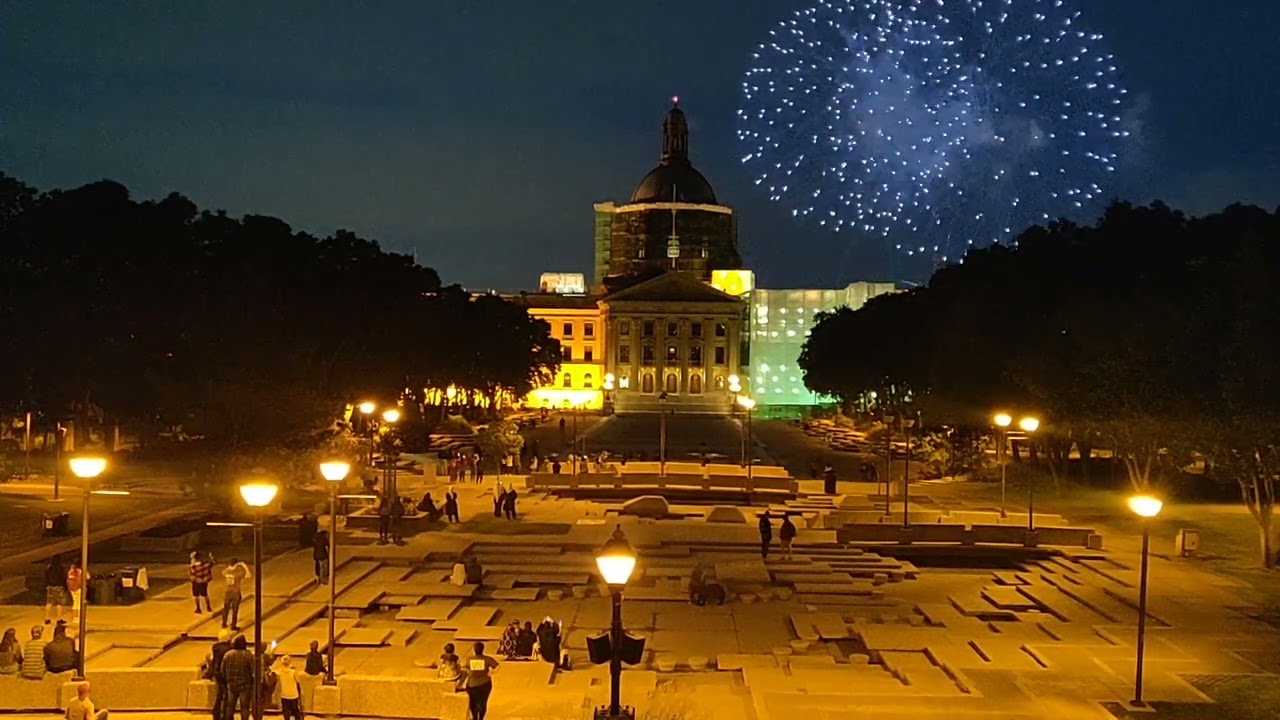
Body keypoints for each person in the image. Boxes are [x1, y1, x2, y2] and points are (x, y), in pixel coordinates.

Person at [220, 635, 254, 720]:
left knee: (230, 706)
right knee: (245, 707)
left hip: (231, 684)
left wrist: (227, 679)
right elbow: (253, 670)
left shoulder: (228, 655)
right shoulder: (248, 655)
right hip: (245, 684)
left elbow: (222, 670)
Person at [463, 641, 499, 720]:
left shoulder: (469, 659)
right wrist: (490, 673)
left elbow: (466, 668)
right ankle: (481, 718)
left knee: (473, 703)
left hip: (472, 684)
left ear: (474, 650)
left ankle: (475, 717)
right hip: (485, 683)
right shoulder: (487, 659)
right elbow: (497, 666)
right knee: (483, 702)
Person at [207, 629, 233, 720]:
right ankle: (225, 715)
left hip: (217, 674)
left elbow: (213, 661)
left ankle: (216, 714)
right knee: (226, 696)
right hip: (225, 674)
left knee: (219, 695)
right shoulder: (229, 649)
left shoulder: (215, 648)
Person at [221, 558, 251, 631]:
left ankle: (224, 623)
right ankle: (233, 625)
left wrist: (230, 567)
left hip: (228, 592)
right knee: (235, 610)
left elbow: (223, 571)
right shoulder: (238, 573)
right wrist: (245, 566)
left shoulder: (226, 571)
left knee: (226, 609)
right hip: (235, 593)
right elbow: (248, 575)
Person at [276, 655, 303, 720]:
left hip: (284, 694)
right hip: (293, 694)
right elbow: (298, 681)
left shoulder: (280, 672)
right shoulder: (293, 672)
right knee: (296, 711)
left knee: (286, 712)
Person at [44, 555, 67, 625]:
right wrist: (65, 586)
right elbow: (63, 577)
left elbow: (46, 577)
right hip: (59, 586)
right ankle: (59, 619)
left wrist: (48, 584)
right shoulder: (60, 568)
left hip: (50, 586)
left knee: (49, 603)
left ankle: (47, 618)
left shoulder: (49, 568)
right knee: (59, 603)